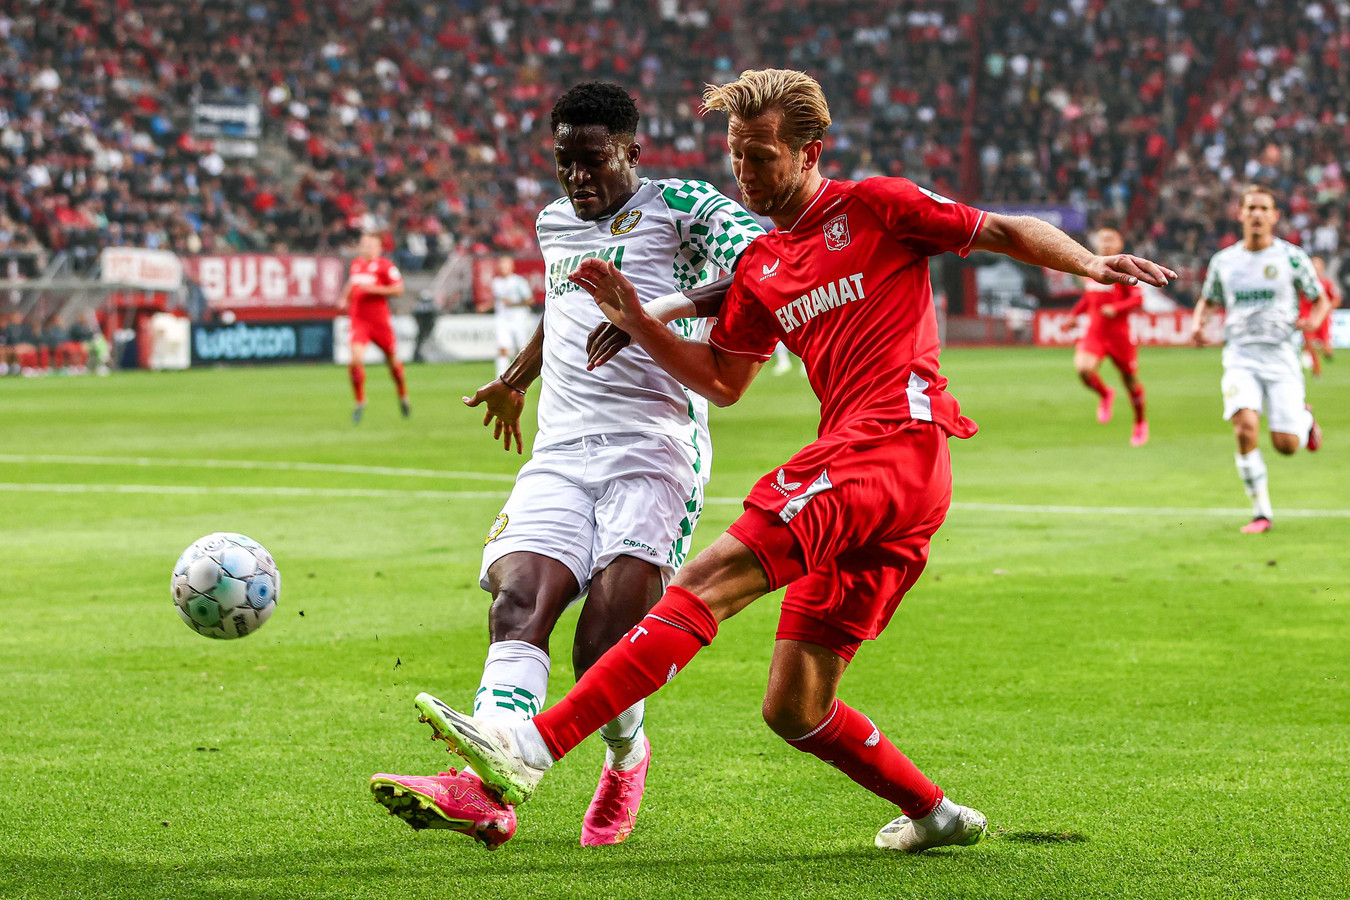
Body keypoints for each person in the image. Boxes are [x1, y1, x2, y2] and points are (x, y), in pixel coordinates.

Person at [405, 69, 1175, 853]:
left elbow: (1003, 230)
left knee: (705, 583)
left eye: (763, 157)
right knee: (795, 706)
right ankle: (934, 814)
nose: (746, 175)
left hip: (892, 442)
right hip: (879, 482)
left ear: (811, 152)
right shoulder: (765, 266)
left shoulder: (872, 204)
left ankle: (526, 751)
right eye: (738, 156)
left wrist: (1092, 264)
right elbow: (721, 382)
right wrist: (639, 317)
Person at [370, 82, 764, 848]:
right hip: (560, 451)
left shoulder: (683, 205)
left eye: (594, 162)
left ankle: (627, 753)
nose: (578, 180)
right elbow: (563, 305)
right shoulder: (556, 222)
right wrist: (515, 381)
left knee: (600, 651)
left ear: (632, 153)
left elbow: (770, 268)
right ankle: (486, 792)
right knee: (519, 603)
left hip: (652, 453)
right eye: (564, 163)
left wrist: (654, 315)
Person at [1192, 185, 1330, 534]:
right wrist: (1198, 324)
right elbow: (1208, 300)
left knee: (1286, 446)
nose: (1256, 214)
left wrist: (1314, 321)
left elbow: (1320, 298)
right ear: (1240, 214)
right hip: (1240, 356)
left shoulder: (1292, 257)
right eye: (1250, 207)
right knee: (1244, 426)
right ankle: (1261, 513)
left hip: (1282, 356)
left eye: (1263, 208)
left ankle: (1304, 421)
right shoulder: (1224, 261)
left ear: (1274, 216)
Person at [1069, 228, 1148, 445]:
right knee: (1084, 370)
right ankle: (1105, 394)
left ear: (1120, 243)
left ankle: (1140, 422)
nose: (1105, 243)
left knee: (1130, 381)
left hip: (1119, 336)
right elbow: (1089, 298)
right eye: (1102, 239)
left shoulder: (1124, 270)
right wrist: (1074, 315)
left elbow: (1138, 299)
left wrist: (1117, 308)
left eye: (1110, 239)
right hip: (1095, 332)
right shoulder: (1092, 268)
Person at [339, 231, 408, 423]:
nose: (366, 247)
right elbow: (352, 284)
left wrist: (375, 289)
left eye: (370, 244)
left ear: (378, 247)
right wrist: (344, 297)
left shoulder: (386, 266)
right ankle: (360, 401)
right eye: (364, 244)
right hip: (359, 320)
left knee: (392, 362)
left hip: (380, 322)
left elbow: (399, 289)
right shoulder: (356, 264)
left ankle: (402, 394)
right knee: (355, 360)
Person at [490, 256, 536, 377]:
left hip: (519, 318)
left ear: (511, 267)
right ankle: (501, 377)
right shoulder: (496, 283)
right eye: (501, 265)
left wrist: (513, 303)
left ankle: (522, 375)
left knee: (522, 349)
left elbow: (530, 300)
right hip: (502, 319)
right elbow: (498, 301)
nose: (503, 268)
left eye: (505, 265)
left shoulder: (518, 282)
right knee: (503, 348)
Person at [1305, 256, 1341, 378]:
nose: (1315, 269)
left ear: (1322, 268)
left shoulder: (1327, 283)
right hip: (1308, 318)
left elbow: (1336, 298)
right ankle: (1316, 368)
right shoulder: (1304, 283)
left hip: (1324, 319)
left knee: (1327, 348)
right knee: (1310, 343)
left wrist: (1327, 308)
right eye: (1313, 266)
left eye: (1318, 266)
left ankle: (1325, 351)